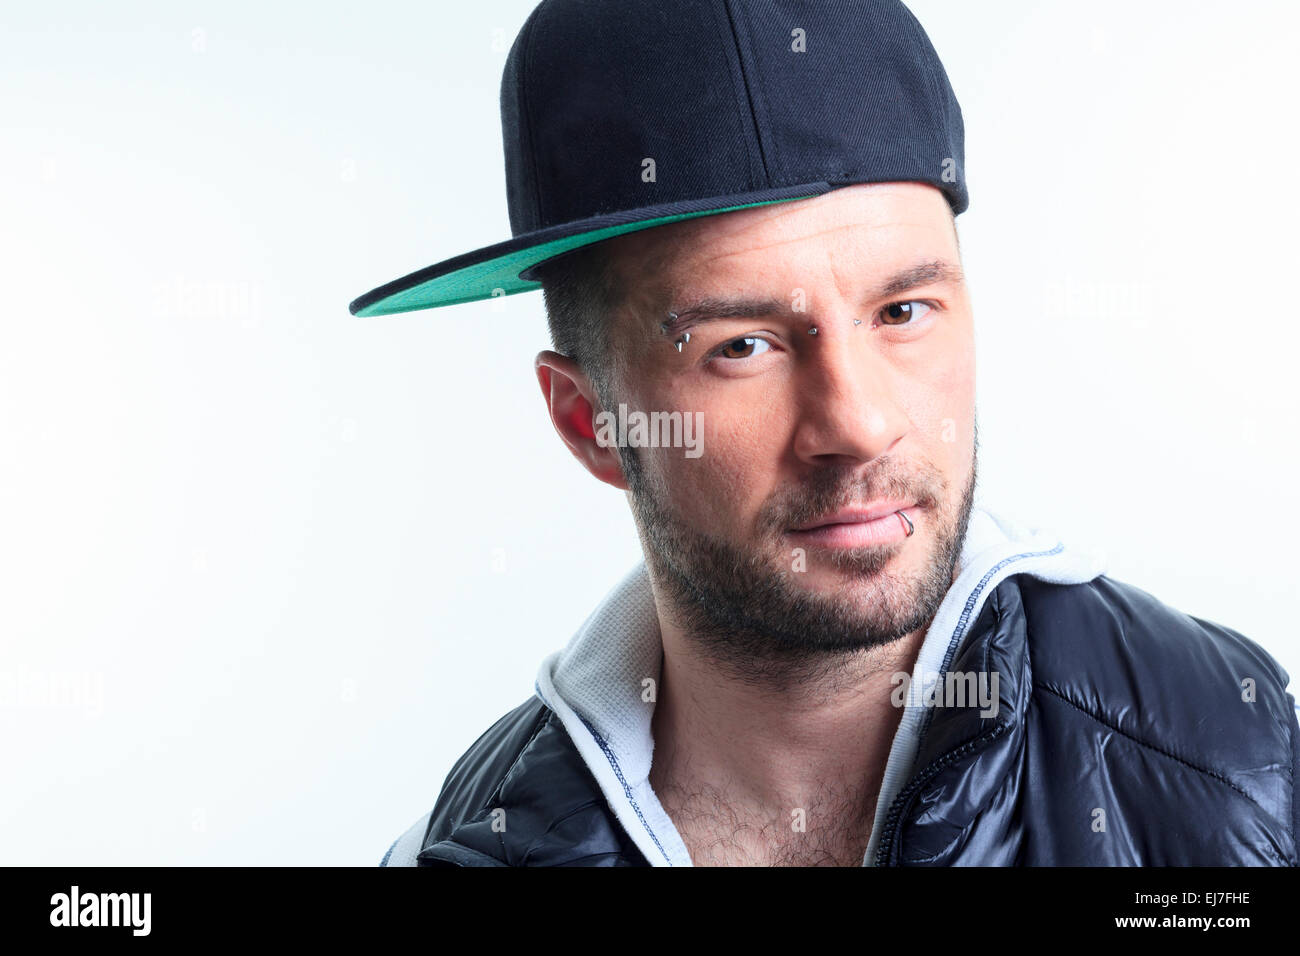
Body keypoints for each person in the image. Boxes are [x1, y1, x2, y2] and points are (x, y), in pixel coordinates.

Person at [354, 0, 1300, 866]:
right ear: (589, 421)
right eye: (744, 345)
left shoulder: (1242, 778)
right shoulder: (462, 849)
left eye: (902, 313)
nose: (859, 423)